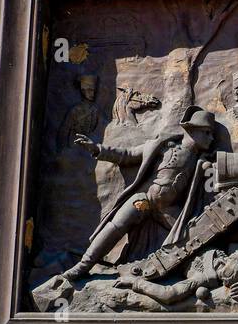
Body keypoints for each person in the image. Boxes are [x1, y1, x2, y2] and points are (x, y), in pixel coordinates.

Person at [61, 107, 216, 281]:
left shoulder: (203, 162)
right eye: (207, 132)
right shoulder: (163, 147)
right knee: (116, 226)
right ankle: (83, 266)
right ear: (192, 130)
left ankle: (192, 276)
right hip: (146, 201)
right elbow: (127, 155)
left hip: (169, 211)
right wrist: (97, 148)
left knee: (192, 238)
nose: (211, 138)